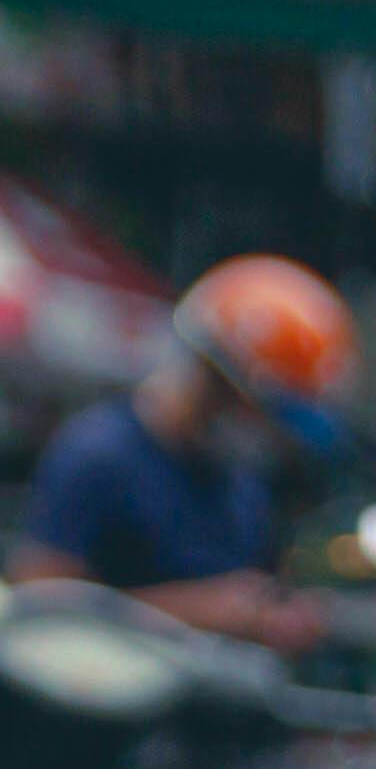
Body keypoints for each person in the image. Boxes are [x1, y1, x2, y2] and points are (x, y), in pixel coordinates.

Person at [10, 256, 356, 658]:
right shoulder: (98, 456)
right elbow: (36, 613)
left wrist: (272, 619)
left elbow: (242, 604)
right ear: (212, 380)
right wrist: (198, 611)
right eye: (257, 412)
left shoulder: (242, 487)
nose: (264, 433)